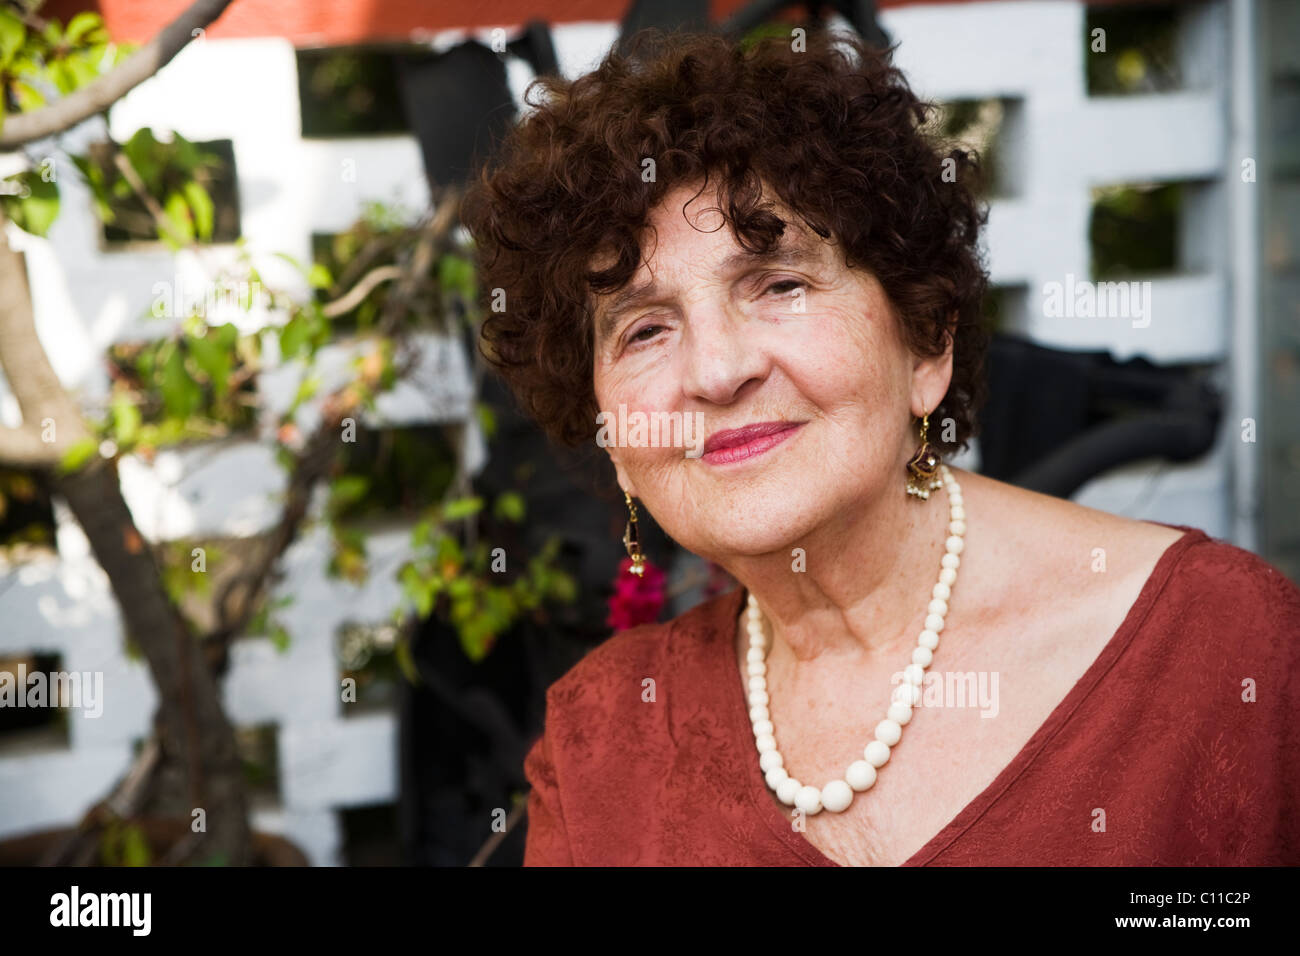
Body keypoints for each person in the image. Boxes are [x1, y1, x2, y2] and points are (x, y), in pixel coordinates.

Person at [460, 27, 1300, 866]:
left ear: (928, 343)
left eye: (780, 284)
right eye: (643, 329)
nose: (716, 371)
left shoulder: (1224, 654)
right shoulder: (601, 743)